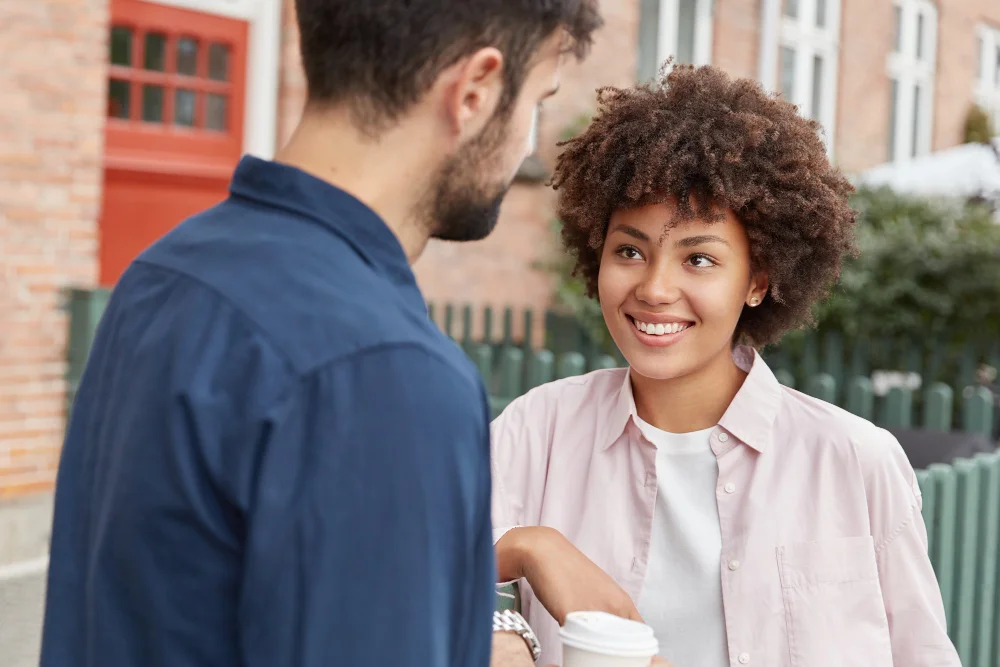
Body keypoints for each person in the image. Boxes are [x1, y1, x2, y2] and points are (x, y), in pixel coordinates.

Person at [39, 2, 603, 666]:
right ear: (475, 90)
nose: (527, 148)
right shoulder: (387, 372)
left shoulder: (161, 272)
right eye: (536, 103)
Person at [491, 65, 961, 666]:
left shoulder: (854, 461)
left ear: (758, 280)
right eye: (630, 250)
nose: (655, 289)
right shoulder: (537, 431)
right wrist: (530, 551)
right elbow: (417, 574)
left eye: (699, 259)